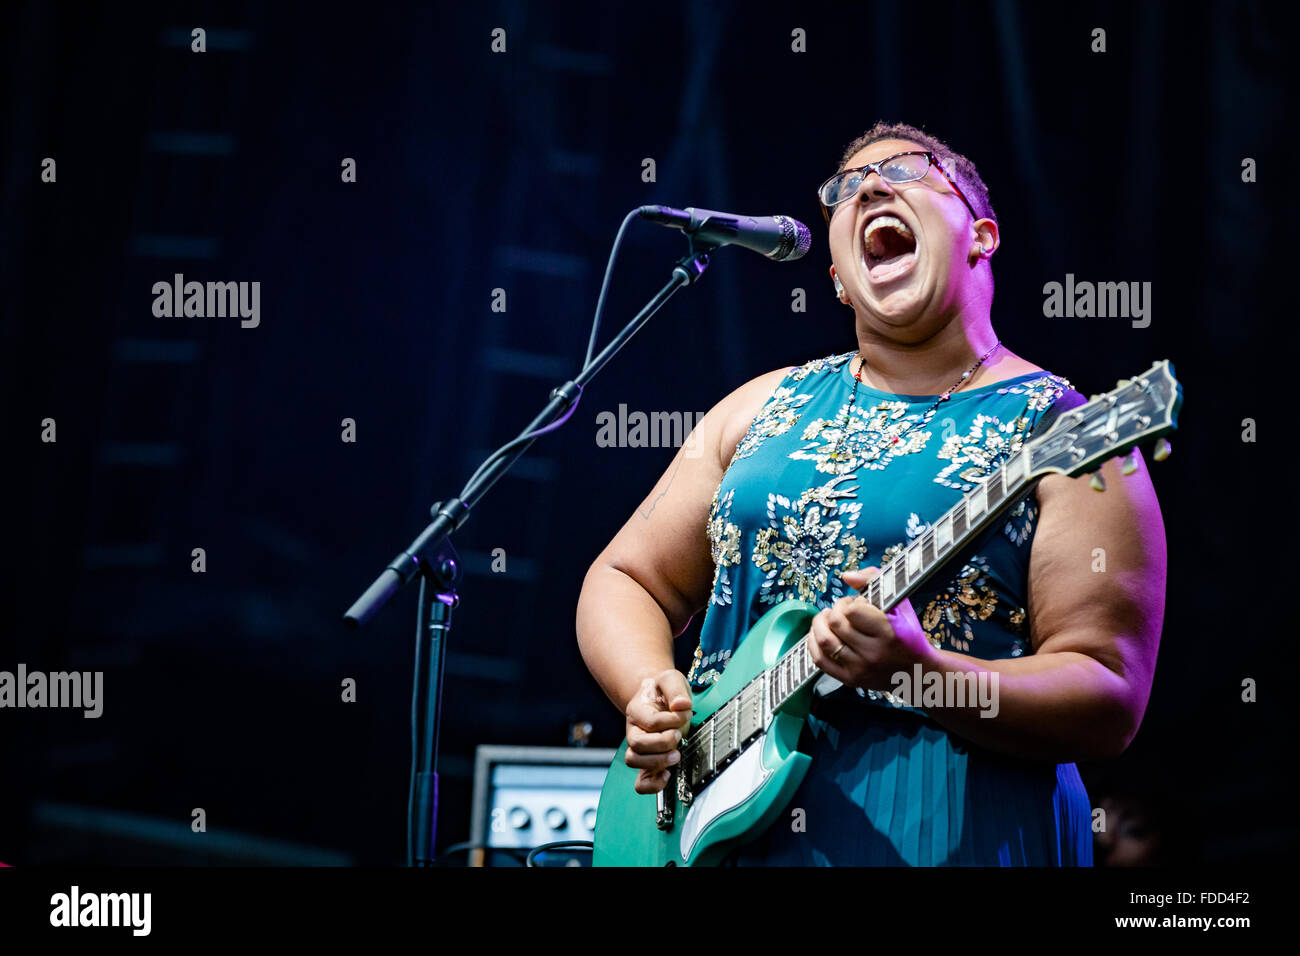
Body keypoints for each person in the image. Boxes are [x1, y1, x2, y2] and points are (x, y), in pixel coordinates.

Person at [575, 122, 1167, 865]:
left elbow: (1107, 694)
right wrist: (648, 687)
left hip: (949, 828)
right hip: (703, 827)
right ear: (836, 277)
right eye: (845, 189)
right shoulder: (757, 407)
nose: (873, 189)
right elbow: (624, 577)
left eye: (910, 172)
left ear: (981, 236)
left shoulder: (1066, 428)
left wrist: (921, 674)